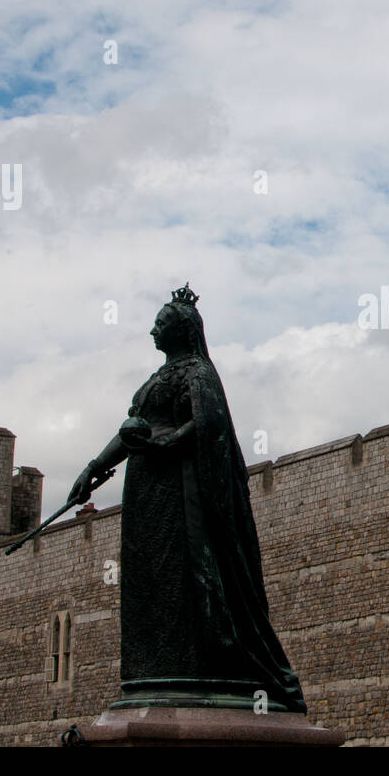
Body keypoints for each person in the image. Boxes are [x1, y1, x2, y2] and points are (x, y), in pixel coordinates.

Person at [68, 283, 305, 712]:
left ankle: (204, 664)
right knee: (150, 580)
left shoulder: (198, 373)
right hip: (147, 495)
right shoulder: (153, 381)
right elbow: (130, 430)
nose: (152, 331)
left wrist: (166, 444)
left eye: (160, 324)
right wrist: (91, 469)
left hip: (183, 491)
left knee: (186, 574)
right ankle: (156, 668)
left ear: (182, 331)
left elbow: (207, 424)